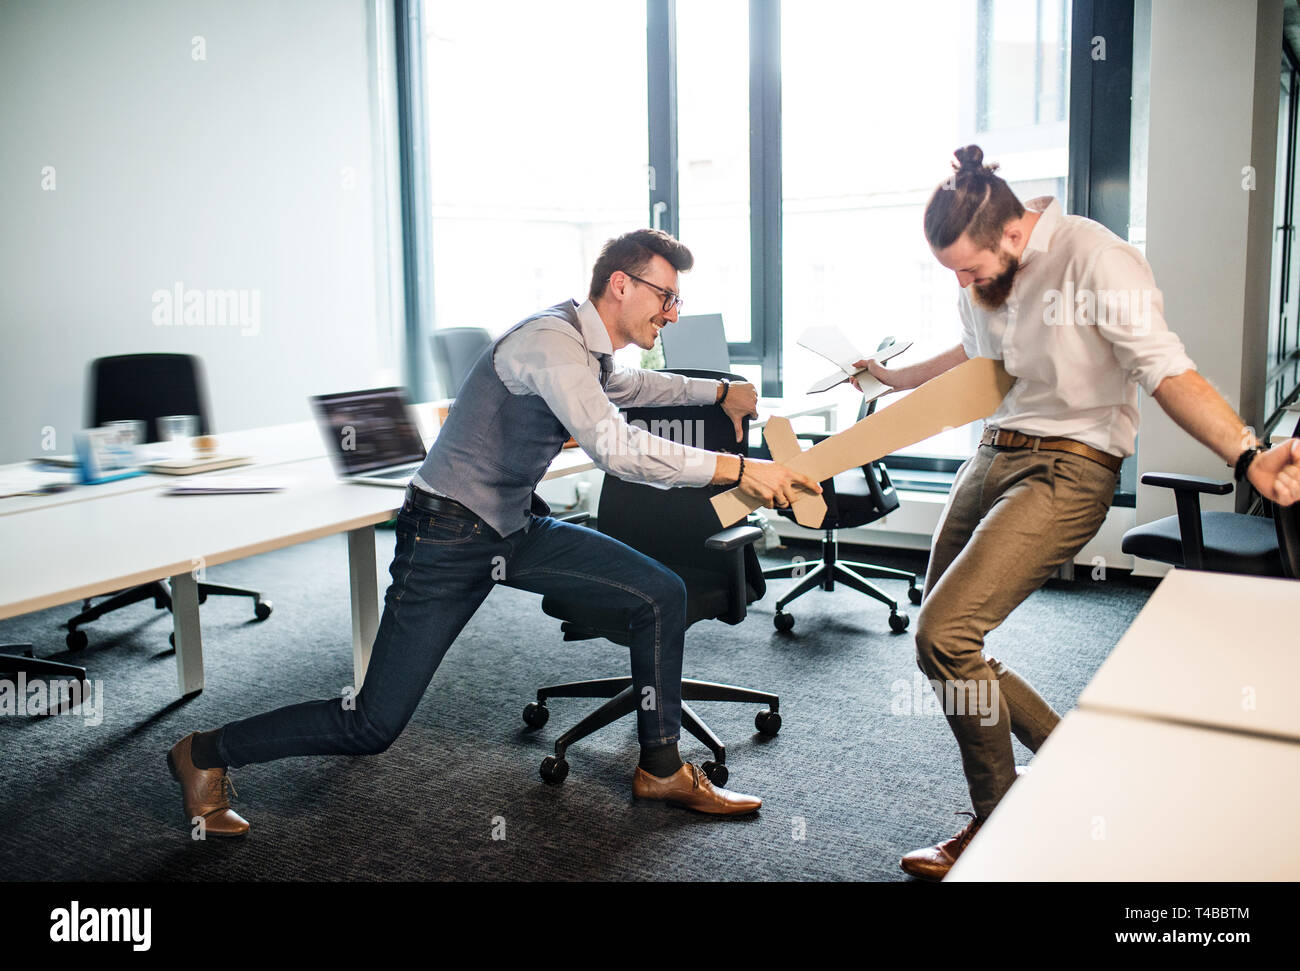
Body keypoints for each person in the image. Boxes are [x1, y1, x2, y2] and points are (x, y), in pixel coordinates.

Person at [166, 228, 820, 835]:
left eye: (678, 299)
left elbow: (630, 385)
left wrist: (716, 393)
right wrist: (739, 469)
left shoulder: (587, 349)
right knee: (371, 724)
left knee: (660, 591)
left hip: (516, 526)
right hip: (446, 539)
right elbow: (618, 449)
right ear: (620, 284)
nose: (673, 312)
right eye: (666, 295)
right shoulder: (551, 341)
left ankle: (660, 766)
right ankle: (204, 753)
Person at [856, 146, 1300, 881]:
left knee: (945, 632)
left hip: (1069, 466)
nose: (962, 284)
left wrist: (1248, 453)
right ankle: (1071, 770)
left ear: (1010, 232)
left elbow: (1166, 369)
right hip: (992, 454)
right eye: (952, 275)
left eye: (968, 269)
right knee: (943, 639)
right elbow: (974, 358)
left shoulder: (1097, 259)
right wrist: (892, 377)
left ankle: (1000, 825)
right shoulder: (983, 277)